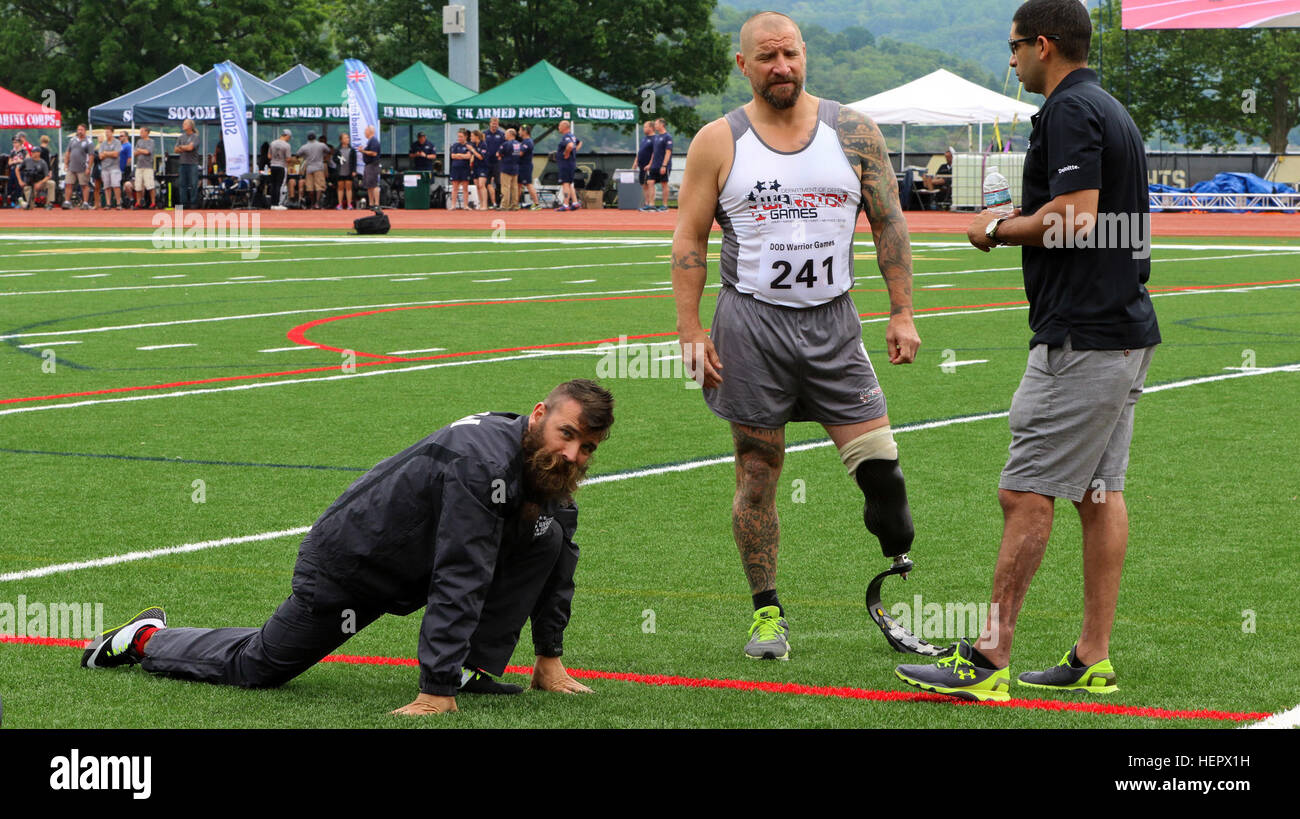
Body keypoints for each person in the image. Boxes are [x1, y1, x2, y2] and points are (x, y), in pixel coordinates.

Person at [895, 0, 1160, 702]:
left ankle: (988, 658)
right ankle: (1091, 655)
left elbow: (1074, 218)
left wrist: (996, 228)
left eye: (1014, 47)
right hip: (1123, 327)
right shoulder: (1109, 106)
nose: (1011, 60)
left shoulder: (1073, 111)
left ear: (1044, 44)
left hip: (1082, 334)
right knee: (1100, 493)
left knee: (1025, 489)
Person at [82, 380, 614, 715]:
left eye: (586, 447)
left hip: (409, 565)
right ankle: (147, 638)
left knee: (548, 539)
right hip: (352, 563)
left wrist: (550, 659)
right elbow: (461, 574)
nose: (572, 454)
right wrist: (433, 691)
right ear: (539, 413)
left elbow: (558, 565)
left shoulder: (546, 472)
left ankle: (469, 666)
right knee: (259, 668)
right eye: (565, 434)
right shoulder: (481, 463)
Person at [671, 11, 922, 661]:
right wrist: (690, 328)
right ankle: (767, 614)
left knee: (883, 477)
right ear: (743, 66)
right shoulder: (717, 142)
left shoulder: (854, 132)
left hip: (834, 326)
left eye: (790, 54)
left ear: (804, 56)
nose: (781, 66)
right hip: (751, 327)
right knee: (757, 473)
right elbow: (690, 239)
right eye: (767, 57)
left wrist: (902, 311)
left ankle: (897, 561)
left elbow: (889, 222)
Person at [64, 123, 94, 209]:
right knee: (68, 184)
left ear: (85, 131)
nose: (79, 131)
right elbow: (68, 152)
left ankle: (85, 203)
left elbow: (91, 155)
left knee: (84, 185)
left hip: (83, 167)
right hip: (71, 166)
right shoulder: (73, 140)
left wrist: (89, 167)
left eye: (81, 130)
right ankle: (67, 202)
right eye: (78, 130)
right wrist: (66, 163)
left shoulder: (89, 142)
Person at [296, 132, 329, 209]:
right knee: (319, 186)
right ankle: (317, 203)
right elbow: (328, 151)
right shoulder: (321, 145)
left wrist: (305, 157)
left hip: (309, 168)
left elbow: (297, 154)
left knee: (310, 187)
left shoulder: (304, 147)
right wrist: (323, 156)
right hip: (319, 167)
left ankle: (312, 203)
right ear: (315, 137)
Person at [554, 120, 582, 211]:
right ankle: (575, 202)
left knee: (565, 183)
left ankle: (565, 204)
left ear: (564, 127)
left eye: (559, 125)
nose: (558, 127)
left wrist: (567, 153)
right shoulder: (572, 136)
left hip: (565, 164)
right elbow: (579, 142)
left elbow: (570, 145)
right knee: (570, 183)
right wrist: (574, 151)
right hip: (571, 163)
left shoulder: (566, 137)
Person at [176, 118, 202, 207]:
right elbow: (175, 149)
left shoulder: (195, 137)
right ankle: (183, 203)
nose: (183, 125)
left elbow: (190, 148)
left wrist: (181, 147)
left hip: (192, 164)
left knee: (193, 184)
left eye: (185, 124)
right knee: (182, 184)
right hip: (182, 163)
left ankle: (193, 203)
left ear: (190, 126)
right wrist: (185, 147)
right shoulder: (181, 137)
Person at [650, 118, 674, 212]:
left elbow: (668, 152)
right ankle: (651, 205)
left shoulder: (668, 137)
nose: (654, 126)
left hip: (663, 165)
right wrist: (650, 164)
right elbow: (653, 152)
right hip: (654, 165)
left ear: (661, 125)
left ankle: (664, 205)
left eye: (656, 124)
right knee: (650, 182)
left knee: (664, 184)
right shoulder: (656, 137)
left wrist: (664, 165)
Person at [97, 126, 123, 209]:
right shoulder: (103, 143)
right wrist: (109, 153)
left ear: (112, 132)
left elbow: (116, 154)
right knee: (106, 186)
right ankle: (108, 204)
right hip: (105, 168)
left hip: (115, 167)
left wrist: (106, 153)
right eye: (106, 132)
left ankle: (118, 203)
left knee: (116, 185)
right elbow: (100, 156)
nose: (107, 134)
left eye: (108, 132)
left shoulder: (117, 142)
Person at [482, 117, 504, 209]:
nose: (494, 125)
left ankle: (499, 203)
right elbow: (481, 145)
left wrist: (500, 153)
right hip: (486, 161)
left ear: (498, 124)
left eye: (496, 124)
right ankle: (488, 203)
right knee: (486, 182)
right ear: (490, 124)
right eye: (493, 123)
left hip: (497, 162)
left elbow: (504, 146)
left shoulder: (502, 134)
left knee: (499, 182)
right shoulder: (484, 133)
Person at [497, 127, 521, 210]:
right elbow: (517, 155)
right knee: (514, 187)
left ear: (510, 134)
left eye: (506, 134)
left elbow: (498, 154)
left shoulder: (505, 144)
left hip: (506, 167)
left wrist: (501, 156)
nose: (504, 135)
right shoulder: (517, 144)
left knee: (505, 187)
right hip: (515, 167)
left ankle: (504, 205)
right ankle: (514, 205)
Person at [133, 126, 157, 209]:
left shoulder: (151, 141)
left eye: (142, 132)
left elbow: (148, 152)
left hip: (148, 166)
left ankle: (153, 203)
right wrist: (140, 151)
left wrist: (139, 150)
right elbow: (134, 153)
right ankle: (138, 203)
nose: (140, 133)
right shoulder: (139, 141)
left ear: (147, 132)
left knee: (150, 185)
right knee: (138, 185)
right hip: (139, 166)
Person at [517, 125, 540, 209]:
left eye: (520, 130)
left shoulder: (528, 142)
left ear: (525, 131)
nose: (518, 132)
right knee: (518, 184)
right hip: (520, 166)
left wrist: (510, 154)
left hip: (525, 166)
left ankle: (537, 203)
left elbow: (520, 153)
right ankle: (515, 204)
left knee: (528, 184)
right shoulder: (524, 141)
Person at [448, 129, 472, 209]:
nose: (459, 138)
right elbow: (452, 156)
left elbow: (468, 156)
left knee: (465, 187)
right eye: (458, 137)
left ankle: (465, 205)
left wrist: (459, 155)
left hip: (465, 168)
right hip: (455, 168)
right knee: (455, 187)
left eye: (461, 137)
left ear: (466, 137)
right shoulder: (455, 145)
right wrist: (462, 155)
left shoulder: (469, 145)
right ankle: (453, 205)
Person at [269, 128, 291, 210]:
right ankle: (277, 203)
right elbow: (288, 159)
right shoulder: (286, 145)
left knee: (273, 184)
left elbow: (269, 156)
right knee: (279, 184)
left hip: (273, 165)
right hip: (281, 166)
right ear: (287, 136)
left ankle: (272, 203)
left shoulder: (272, 143)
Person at [635, 121, 655, 211]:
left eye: (645, 127)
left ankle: (651, 203)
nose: (644, 129)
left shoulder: (655, 139)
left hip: (648, 166)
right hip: (641, 165)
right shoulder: (644, 139)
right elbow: (640, 151)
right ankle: (646, 203)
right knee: (643, 184)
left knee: (649, 183)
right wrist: (635, 162)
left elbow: (654, 153)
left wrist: (650, 164)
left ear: (651, 127)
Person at [334, 132, 357, 210]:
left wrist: (354, 170)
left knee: (348, 187)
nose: (347, 139)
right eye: (345, 138)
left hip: (349, 171)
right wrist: (339, 160)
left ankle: (349, 204)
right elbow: (334, 159)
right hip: (340, 171)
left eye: (348, 137)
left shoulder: (352, 150)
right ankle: (340, 204)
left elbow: (354, 161)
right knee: (340, 187)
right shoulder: (337, 149)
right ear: (341, 140)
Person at [360, 124, 382, 207]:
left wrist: (363, 151)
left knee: (374, 184)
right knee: (369, 185)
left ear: (370, 131)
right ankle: (371, 203)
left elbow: (374, 153)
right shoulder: (369, 141)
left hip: (373, 165)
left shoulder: (374, 141)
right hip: (368, 165)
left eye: (365, 131)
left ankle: (376, 203)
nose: (364, 133)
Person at [468, 130, 489, 210]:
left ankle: (485, 204)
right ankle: (480, 203)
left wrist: (473, 150)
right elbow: (471, 155)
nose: (471, 138)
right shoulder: (473, 144)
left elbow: (480, 157)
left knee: (481, 185)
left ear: (476, 136)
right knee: (477, 185)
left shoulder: (483, 145)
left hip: (483, 166)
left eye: (472, 136)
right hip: (475, 167)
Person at [117, 131, 133, 207]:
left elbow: (129, 158)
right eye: (119, 136)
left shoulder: (128, 146)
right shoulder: (120, 146)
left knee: (126, 185)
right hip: (118, 169)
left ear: (126, 136)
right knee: (118, 186)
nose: (120, 137)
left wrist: (126, 168)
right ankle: (121, 201)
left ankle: (130, 200)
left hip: (125, 170)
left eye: (122, 136)